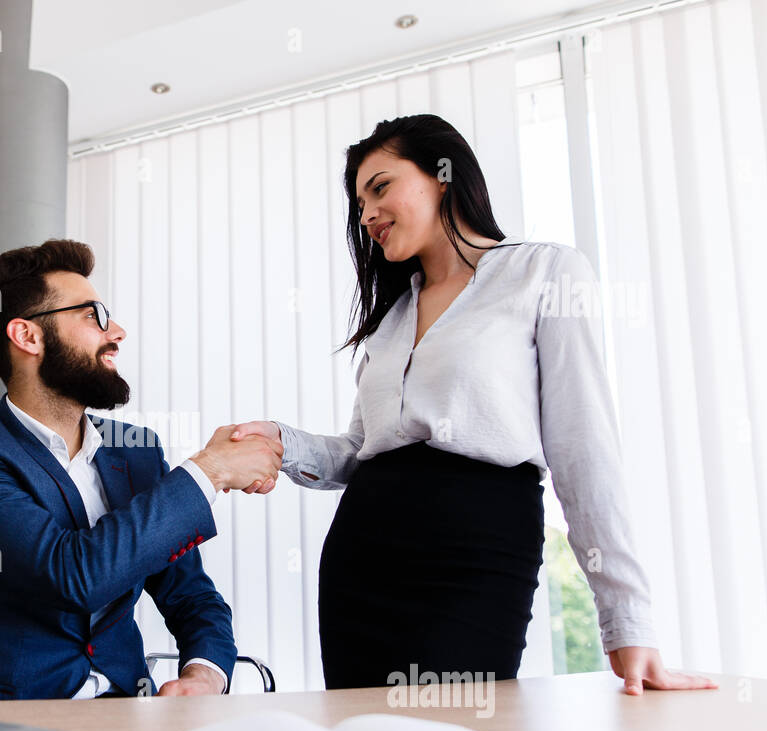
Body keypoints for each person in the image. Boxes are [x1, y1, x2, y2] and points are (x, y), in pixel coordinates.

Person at [230, 114, 716, 697]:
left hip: (478, 548)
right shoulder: (390, 320)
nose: (366, 215)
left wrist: (626, 621)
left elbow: (582, 445)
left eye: (379, 187)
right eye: (358, 203)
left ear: (442, 174)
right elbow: (362, 451)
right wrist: (282, 440)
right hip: (363, 554)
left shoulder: (546, 272)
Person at [0, 239, 281, 700]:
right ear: (28, 336)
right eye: (94, 316)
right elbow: (72, 576)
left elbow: (191, 596)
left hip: (124, 711)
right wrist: (211, 470)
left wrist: (203, 675)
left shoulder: (137, 452)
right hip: (4, 722)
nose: (118, 331)